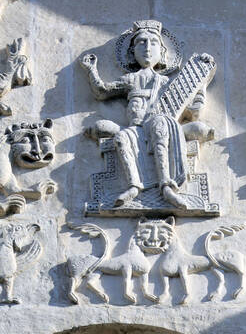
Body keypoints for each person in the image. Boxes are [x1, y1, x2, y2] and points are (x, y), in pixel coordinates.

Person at [81, 19, 214, 212]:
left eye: (153, 43)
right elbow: (101, 91)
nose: (147, 48)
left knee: (159, 125)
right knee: (121, 137)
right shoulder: (130, 79)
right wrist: (91, 70)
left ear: (161, 52)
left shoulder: (165, 82)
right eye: (141, 43)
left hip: (160, 124)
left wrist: (200, 89)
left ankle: (167, 186)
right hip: (136, 127)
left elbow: (191, 111)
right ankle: (134, 186)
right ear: (132, 52)